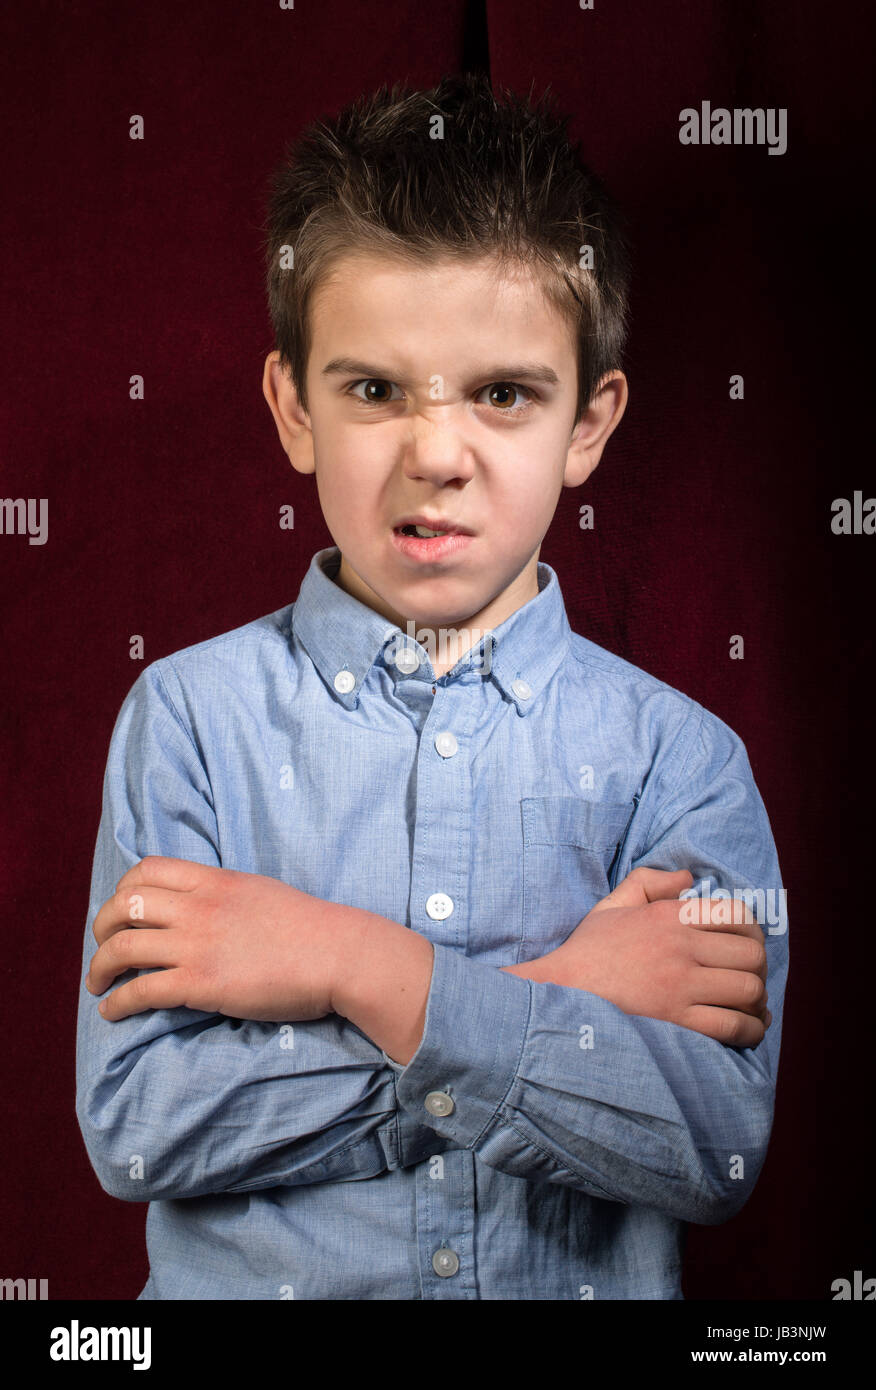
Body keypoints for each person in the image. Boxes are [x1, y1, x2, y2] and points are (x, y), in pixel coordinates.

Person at [75, 73, 788, 1300]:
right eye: (373, 390)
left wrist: (352, 965)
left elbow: (709, 1147)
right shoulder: (187, 721)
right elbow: (142, 1123)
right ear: (294, 406)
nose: (438, 455)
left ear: (589, 422)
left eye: (503, 394)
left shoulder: (685, 760)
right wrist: (556, 1002)